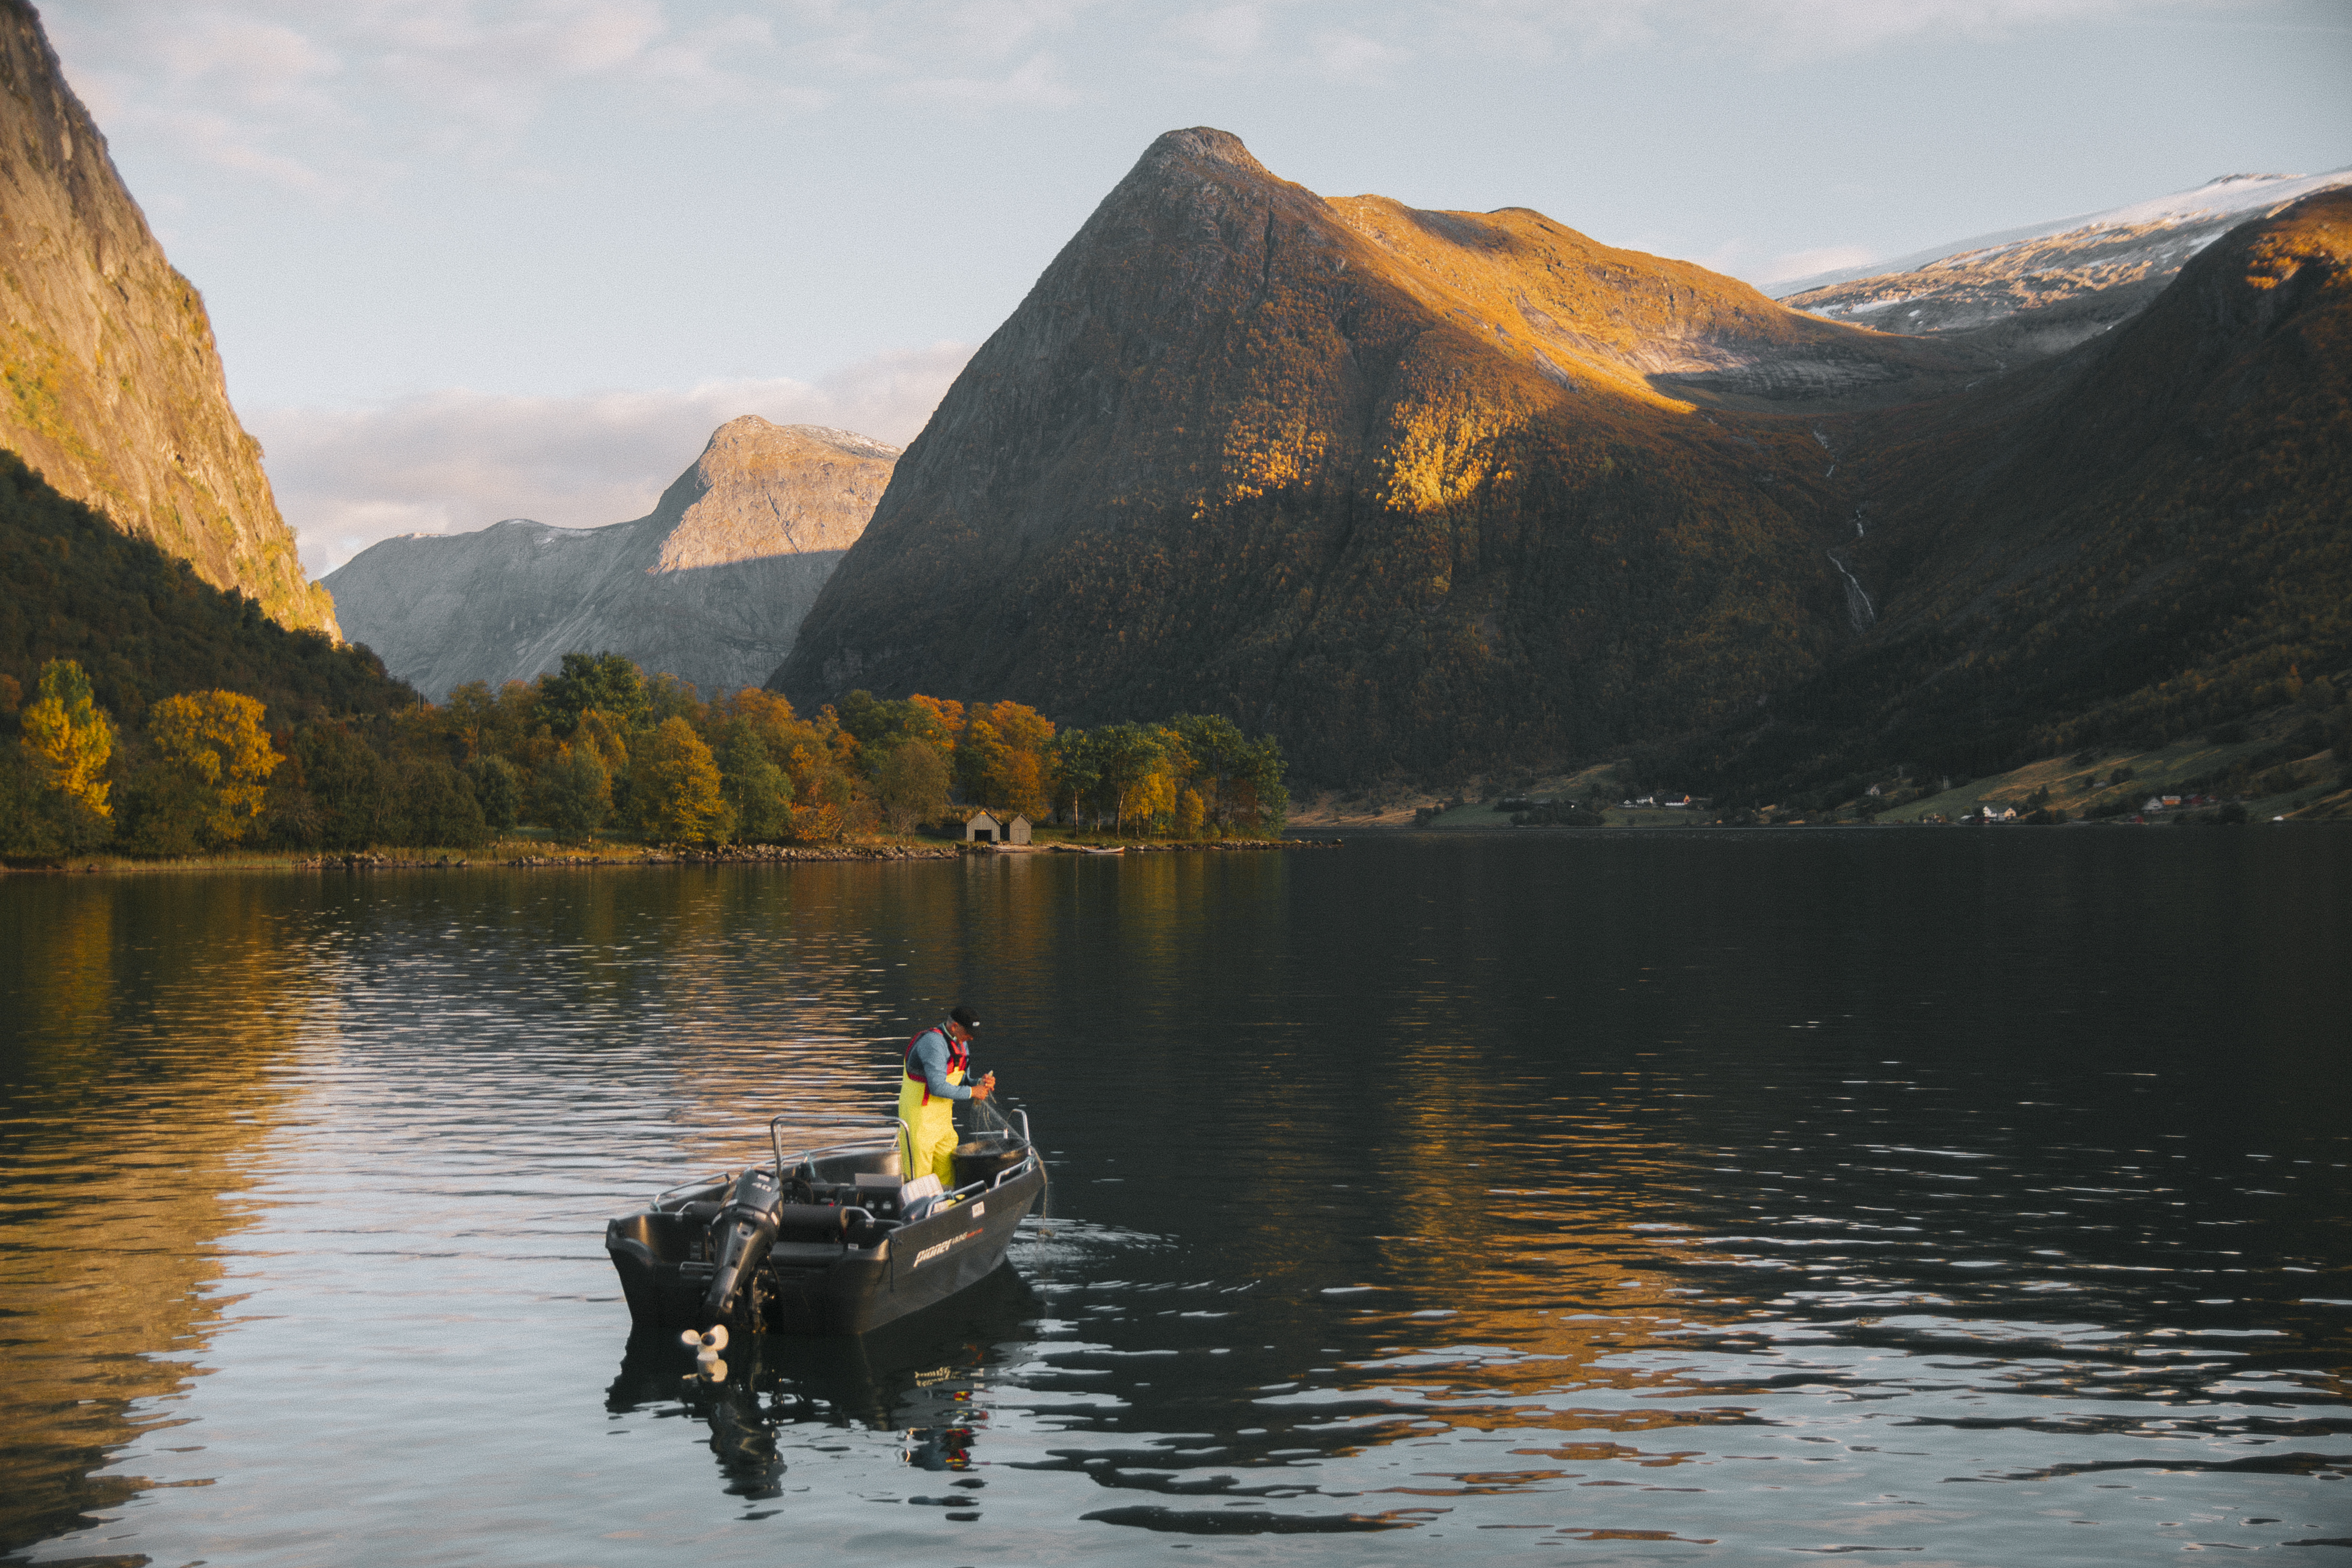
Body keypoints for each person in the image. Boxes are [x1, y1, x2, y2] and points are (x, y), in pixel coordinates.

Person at [897, 1005, 995, 1187]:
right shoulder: (933, 1043)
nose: (972, 1038)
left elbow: (961, 1080)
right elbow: (937, 1087)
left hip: (943, 1123)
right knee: (920, 1178)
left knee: (947, 1174)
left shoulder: (961, 1042)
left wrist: (979, 1083)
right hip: (919, 1121)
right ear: (955, 1026)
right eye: (969, 1033)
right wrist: (973, 1092)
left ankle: (947, 1202)